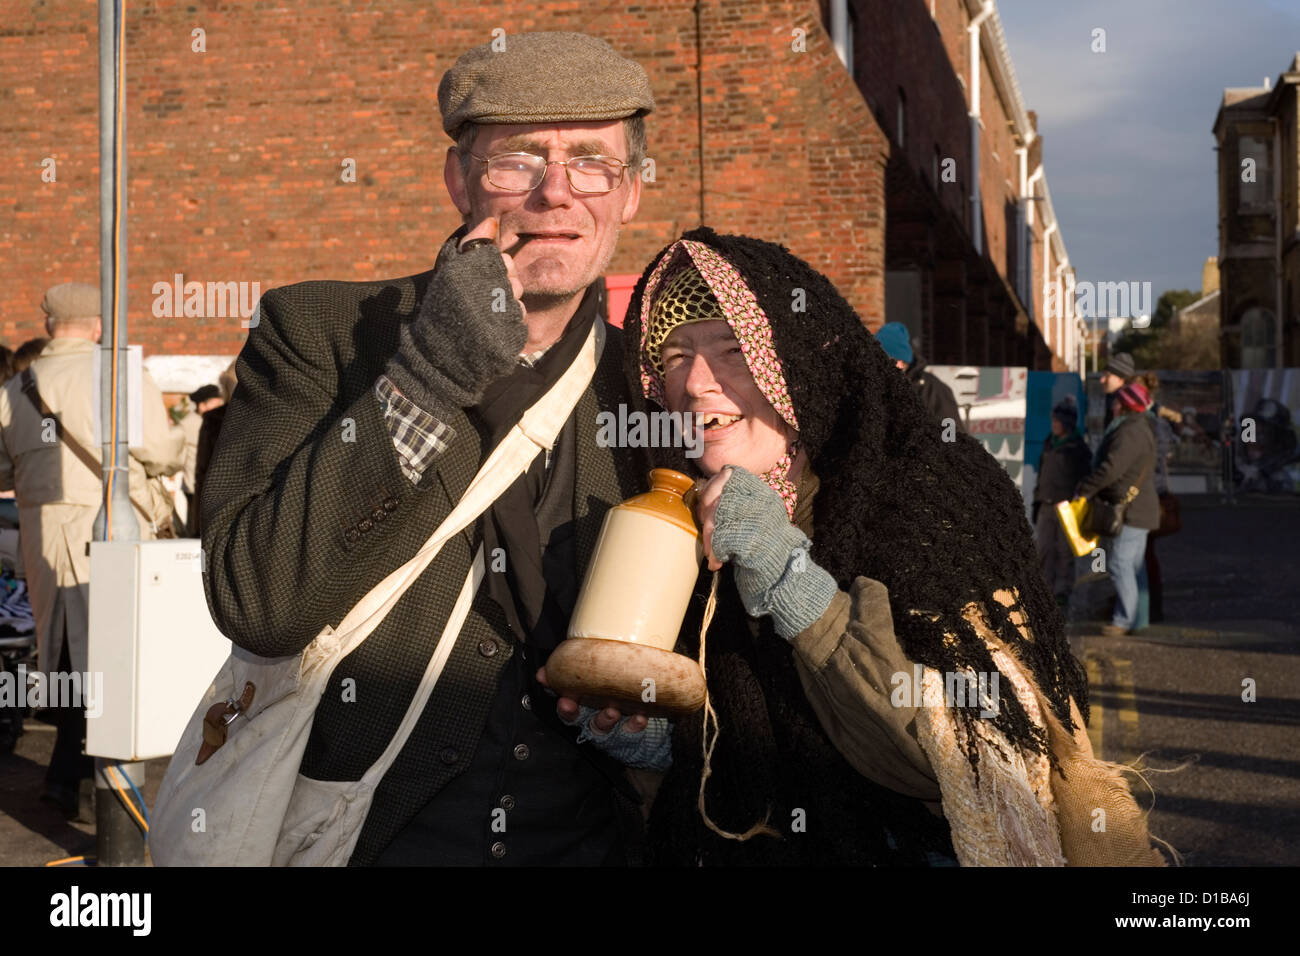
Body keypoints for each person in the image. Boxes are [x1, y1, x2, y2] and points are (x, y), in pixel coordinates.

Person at [196, 32, 666, 866]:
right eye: (518, 160)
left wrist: (652, 730)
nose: (556, 193)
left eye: (592, 161)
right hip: (369, 838)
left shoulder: (655, 384)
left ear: (628, 192)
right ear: (458, 180)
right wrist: (426, 377)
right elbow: (259, 604)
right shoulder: (322, 334)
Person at [615, 228, 1164, 866]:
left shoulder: (928, 494)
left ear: (793, 362)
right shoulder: (683, 523)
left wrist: (791, 577)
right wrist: (659, 742)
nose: (699, 383)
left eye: (733, 348)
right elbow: (753, 738)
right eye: (676, 354)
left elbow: (957, 760)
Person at [0, 282, 185, 816]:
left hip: (41, 536)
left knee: (61, 655)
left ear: (50, 323)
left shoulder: (17, 387)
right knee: (112, 657)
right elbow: (164, 452)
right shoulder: (119, 373)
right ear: (99, 324)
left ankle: (70, 771)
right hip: (111, 529)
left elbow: (4, 464)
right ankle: (93, 782)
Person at [1074, 382, 1158, 637]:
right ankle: (1135, 620)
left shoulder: (1129, 432)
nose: (1113, 405)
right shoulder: (1139, 428)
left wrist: (1085, 488)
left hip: (1130, 510)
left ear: (1125, 405)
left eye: (1118, 401)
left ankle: (1123, 621)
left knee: (1120, 564)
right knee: (1132, 566)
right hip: (1140, 508)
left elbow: (1112, 468)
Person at [1032, 397, 1092, 607]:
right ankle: (1044, 591)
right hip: (1046, 504)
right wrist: (1037, 501)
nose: (1054, 424)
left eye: (1057, 421)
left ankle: (1062, 593)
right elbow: (1042, 474)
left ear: (1067, 423)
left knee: (1064, 552)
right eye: (1053, 420)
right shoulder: (1050, 441)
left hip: (1067, 507)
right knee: (1044, 549)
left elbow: (1086, 479)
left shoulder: (1078, 448)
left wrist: (1076, 501)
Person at [874, 320, 964, 432]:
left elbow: (952, 436)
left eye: (903, 361)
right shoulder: (868, 387)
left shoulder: (933, 390)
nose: (900, 366)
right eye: (894, 360)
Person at [179, 384, 223, 535]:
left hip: (201, 485)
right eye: (215, 403)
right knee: (195, 530)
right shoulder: (189, 424)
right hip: (193, 485)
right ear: (202, 405)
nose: (220, 406)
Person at [1100, 351, 1135, 429]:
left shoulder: (1129, 409)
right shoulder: (1110, 400)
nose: (1102, 380)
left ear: (1121, 379)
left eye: (1107, 376)